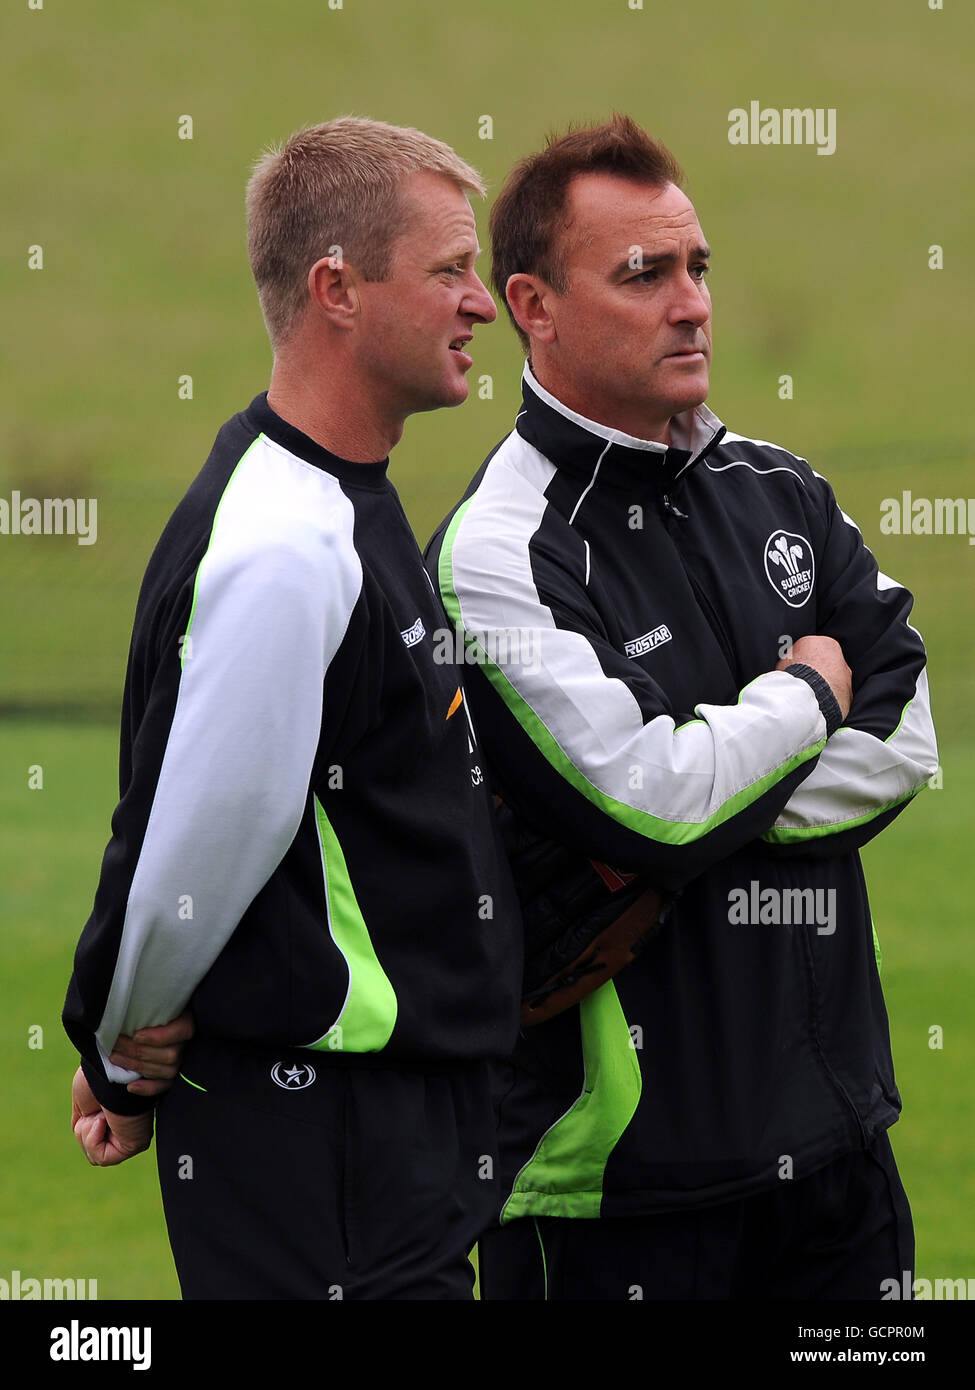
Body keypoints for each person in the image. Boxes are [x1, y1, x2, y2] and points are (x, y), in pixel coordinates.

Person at [425, 114, 939, 1300]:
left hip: (840, 1163)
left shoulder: (783, 489)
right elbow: (647, 805)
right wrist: (808, 694)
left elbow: (907, 741)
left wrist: (712, 778)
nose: (692, 302)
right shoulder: (498, 551)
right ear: (531, 305)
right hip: (616, 1197)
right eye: (643, 274)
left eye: (697, 265)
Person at [63, 116, 523, 1300]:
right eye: (450, 270)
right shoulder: (283, 545)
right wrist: (121, 1035)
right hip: (327, 1155)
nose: (483, 303)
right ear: (339, 289)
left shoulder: (334, 499)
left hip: (377, 1153)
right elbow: (193, 840)